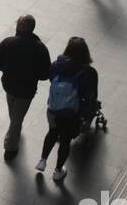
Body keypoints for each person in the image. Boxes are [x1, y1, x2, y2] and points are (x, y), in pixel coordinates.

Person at [36, 37, 99, 182]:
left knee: (52, 132)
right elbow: (91, 96)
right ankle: (58, 170)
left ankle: (42, 161)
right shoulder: (88, 72)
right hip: (72, 113)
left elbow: (52, 80)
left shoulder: (56, 65)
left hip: (53, 108)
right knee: (65, 140)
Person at [0, 15, 51, 160]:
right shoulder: (40, 48)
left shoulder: (8, 42)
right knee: (17, 119)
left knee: (15, 115)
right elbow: (45, 74)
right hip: (26, 90)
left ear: (18, 26)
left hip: (9, 85)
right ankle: (10, 149)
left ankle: (11, 142)